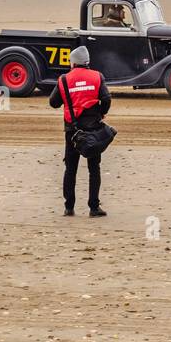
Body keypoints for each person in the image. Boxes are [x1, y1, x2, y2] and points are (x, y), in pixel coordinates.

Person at [50, 46, 111, 217]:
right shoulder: (97, 77)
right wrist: (101, 112)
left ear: (73, 63)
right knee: (94, 168)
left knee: (70, 168)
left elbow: (53, 102)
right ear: (87, 62)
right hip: (93, 130)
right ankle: (94, 207)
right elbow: (106, 98)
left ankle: (69, 207)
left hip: (72, 131)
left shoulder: (63, 80)